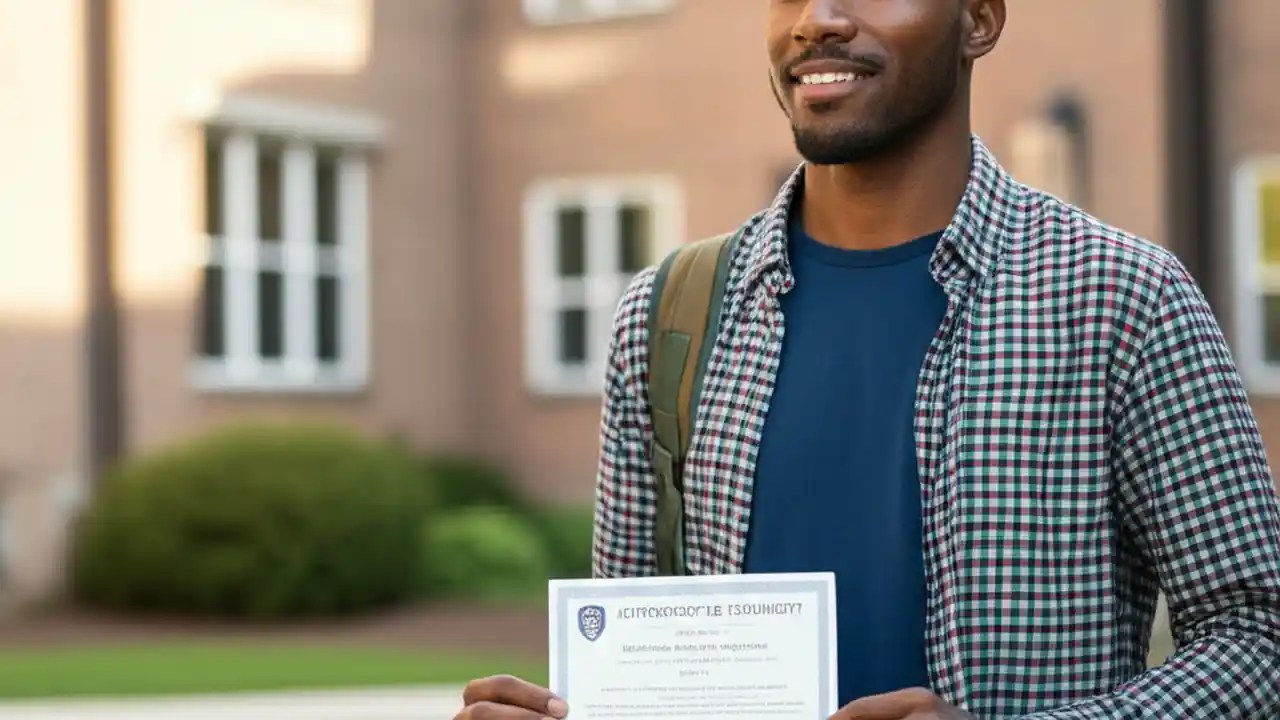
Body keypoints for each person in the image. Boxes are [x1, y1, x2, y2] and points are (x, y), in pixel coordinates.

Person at [456, 0, 1280, 717]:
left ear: (978, 19)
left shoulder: (1122, 299)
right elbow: (633, 677)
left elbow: (1255, 638)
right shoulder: (667, 315)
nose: (817, 19)